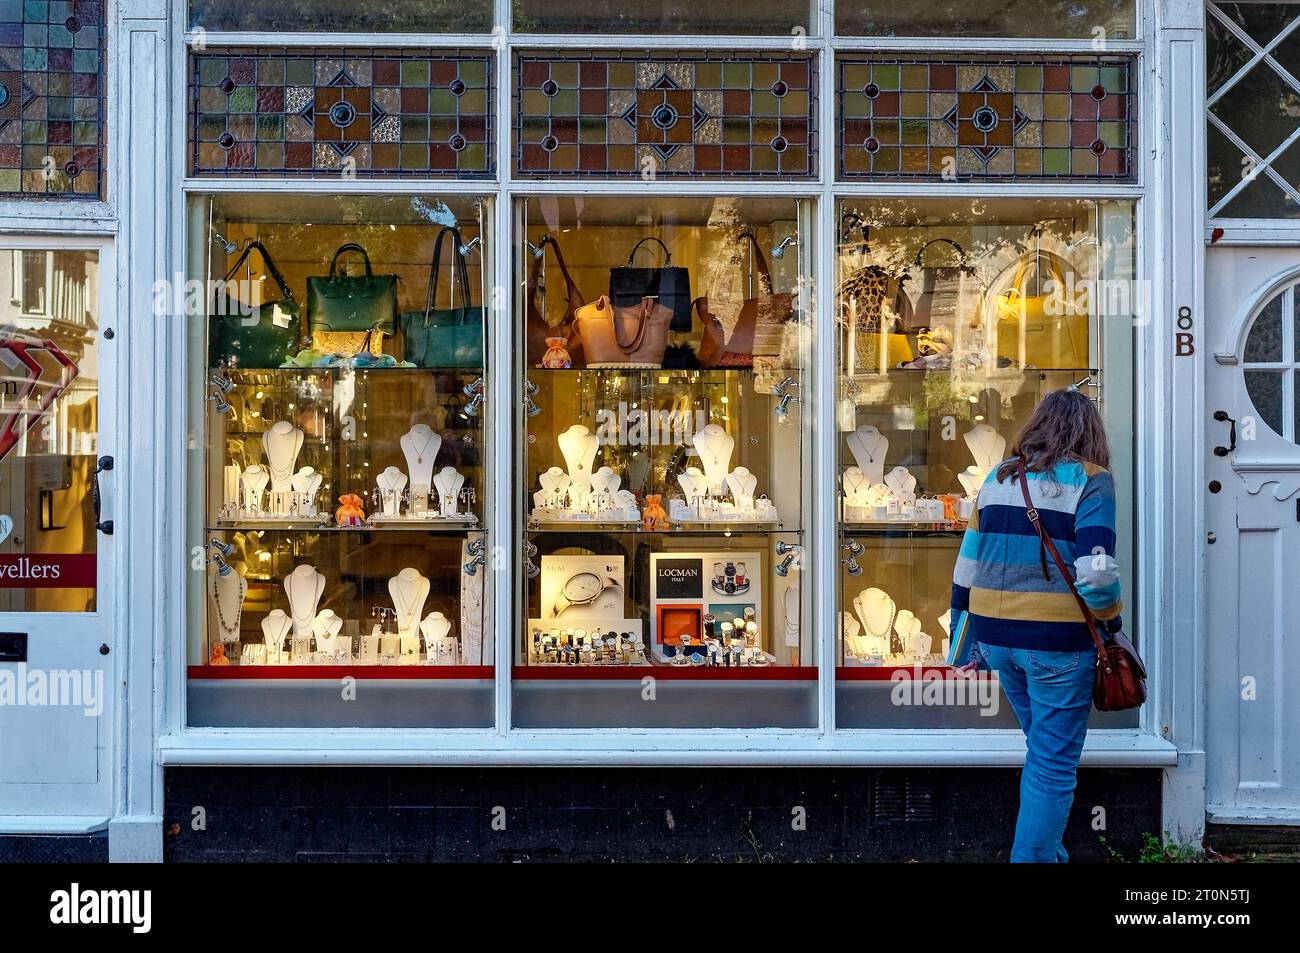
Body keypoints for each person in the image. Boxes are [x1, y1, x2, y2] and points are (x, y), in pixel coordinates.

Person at [951, 388, 1123, 862]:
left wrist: (963, 641)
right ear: (1091, 432)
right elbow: (1097, 569)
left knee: (1043, 750)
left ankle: (1047, 852)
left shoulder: (999, 476)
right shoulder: (1093, 480)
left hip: (997, 639)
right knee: (1052, 762)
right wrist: (1111, 617)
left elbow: (966, 566)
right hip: (1058, 645)